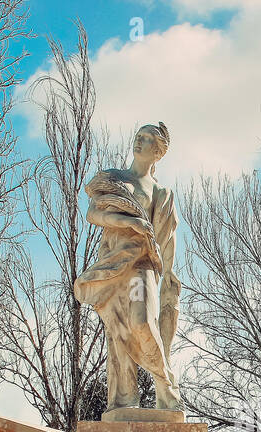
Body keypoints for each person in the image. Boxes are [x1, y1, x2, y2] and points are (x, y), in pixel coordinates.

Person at [73, 122, 183, 414]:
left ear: (158, 152)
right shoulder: (114, 179)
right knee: (119, 331)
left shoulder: (161, 192)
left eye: (147, 139)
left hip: (142, 263)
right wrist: (128, 222)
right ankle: (125, 400)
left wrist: (170, 272)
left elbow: (167, 238)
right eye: (139, 136)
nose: (139, 141)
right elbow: (94, 214)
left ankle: (164, 382)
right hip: (113, 263)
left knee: (141, 322)